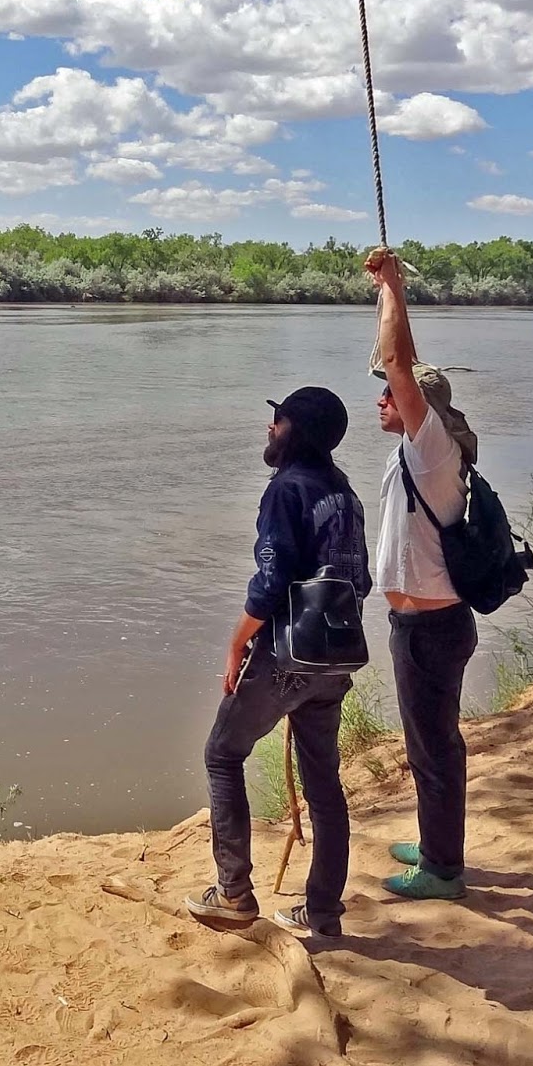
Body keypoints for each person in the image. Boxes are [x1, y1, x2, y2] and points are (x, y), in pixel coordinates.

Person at [186, 386, 371, 940]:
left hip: (287, 653)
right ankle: (322, 913)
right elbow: (360, 579)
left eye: (279, 420)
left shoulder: (286, 491)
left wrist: (238, 642)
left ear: (297, 432)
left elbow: (270, 584)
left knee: (223, 754)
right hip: (338, 654)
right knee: (324, 784)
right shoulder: (345, 491)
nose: (270, 428)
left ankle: (235, 894)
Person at [365, 248, 481, 900]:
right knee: (432, 743)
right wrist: (390, 293)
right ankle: (441, 846)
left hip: (430, 628)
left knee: (433, 749)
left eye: (392, 395)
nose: (384, 397)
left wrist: (393, 290)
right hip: (426, 623)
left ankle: (442, 869)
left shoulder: (431, 449)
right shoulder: (424, 451)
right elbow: (403, 366)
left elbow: (400, 364)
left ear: (420, 412)